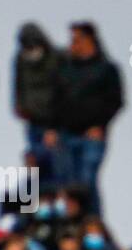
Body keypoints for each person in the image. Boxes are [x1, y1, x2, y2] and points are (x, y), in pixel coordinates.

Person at [47, 21, 124, 214]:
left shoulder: (106, 69)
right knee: (69, 185)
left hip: (92, 135)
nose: (73, 44)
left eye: (77, 40)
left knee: (87, 182)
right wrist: (52, 128)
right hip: (66, 134)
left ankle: (93, 222)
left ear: (89, 40)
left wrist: (100, 125)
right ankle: (74, 227)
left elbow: (115, 101)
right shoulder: (64, 68)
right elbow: (55, 100)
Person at [13, 22, 61, 193]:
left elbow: (62, 92)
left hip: (54, 122)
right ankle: (37, 203)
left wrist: (54, 126)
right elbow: (18, 86)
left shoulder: (57, 58)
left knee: (54, 166)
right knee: (34, 166)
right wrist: (19, 106)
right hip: (32, 120)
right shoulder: (21, 59)